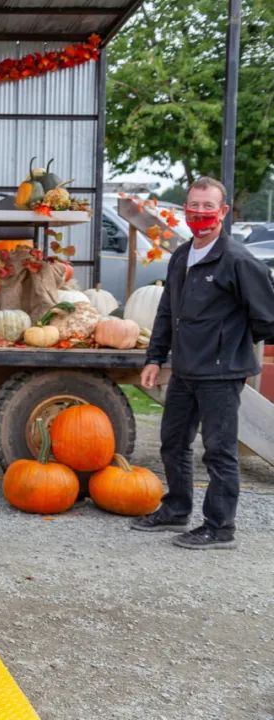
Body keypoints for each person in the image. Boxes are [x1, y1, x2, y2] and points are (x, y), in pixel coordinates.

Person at [132, 176, 274, 549]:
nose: (199, 214)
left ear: (223, 212)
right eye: (193, 207)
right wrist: (155, 357)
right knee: (173, 443)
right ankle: (176, 509)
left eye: (207, 207)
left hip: (221, 374)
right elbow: (167, 311)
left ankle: (220, 527)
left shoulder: (239, 261)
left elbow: (266, 319)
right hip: (184, 370)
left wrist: (230, 348)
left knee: (218, 451)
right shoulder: (182, 255)